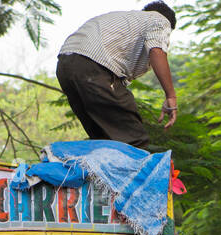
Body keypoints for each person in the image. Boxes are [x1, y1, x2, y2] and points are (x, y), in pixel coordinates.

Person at [55, 3, 178, 149]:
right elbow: (157, 51)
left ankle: (99, 169)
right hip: (94, 65)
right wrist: (171, 96)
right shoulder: (159, 20)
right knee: (133, 138)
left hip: (65, 66)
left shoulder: (124, 20)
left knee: (104, 137)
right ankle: (134, 169)